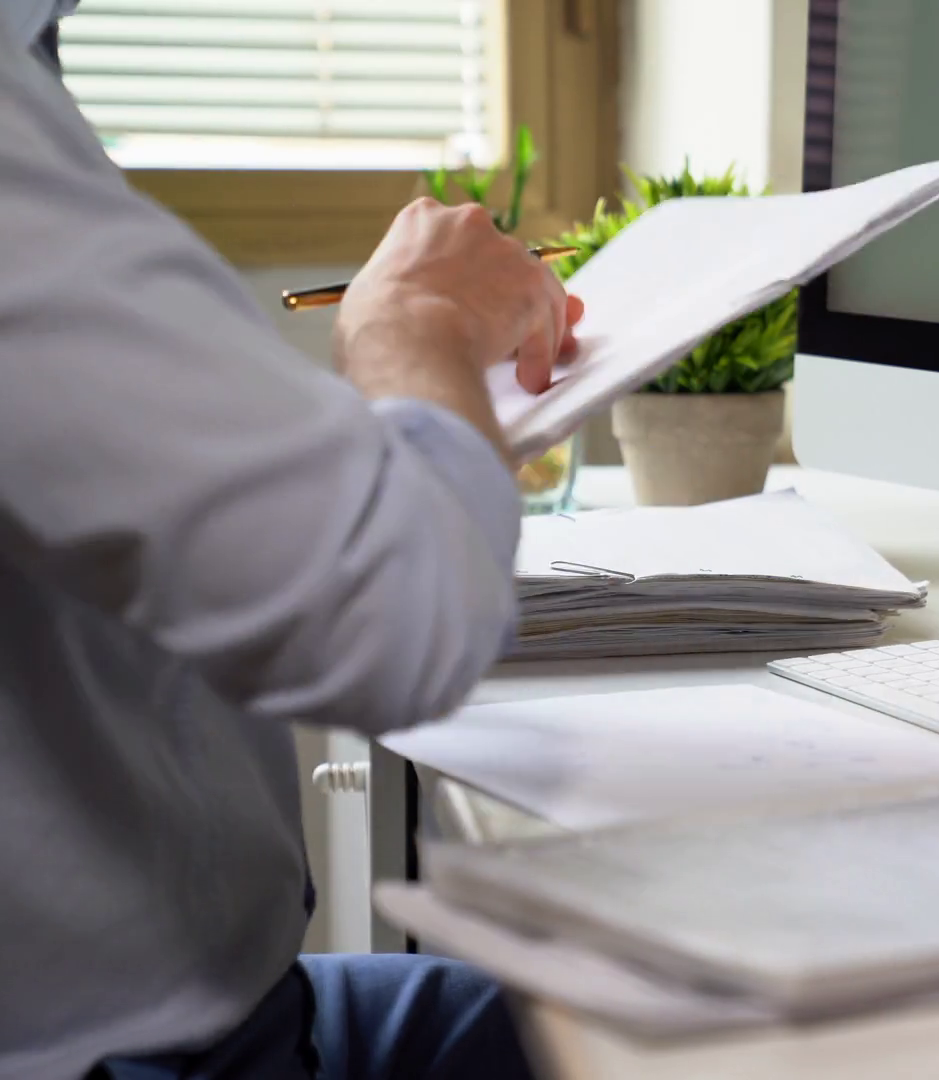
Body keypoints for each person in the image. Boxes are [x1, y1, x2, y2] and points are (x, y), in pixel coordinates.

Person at [0, 4, 582, 1077]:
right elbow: (395, 609)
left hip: (234, 1000)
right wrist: (414, 323)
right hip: (120, 1048)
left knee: (599, 1004)